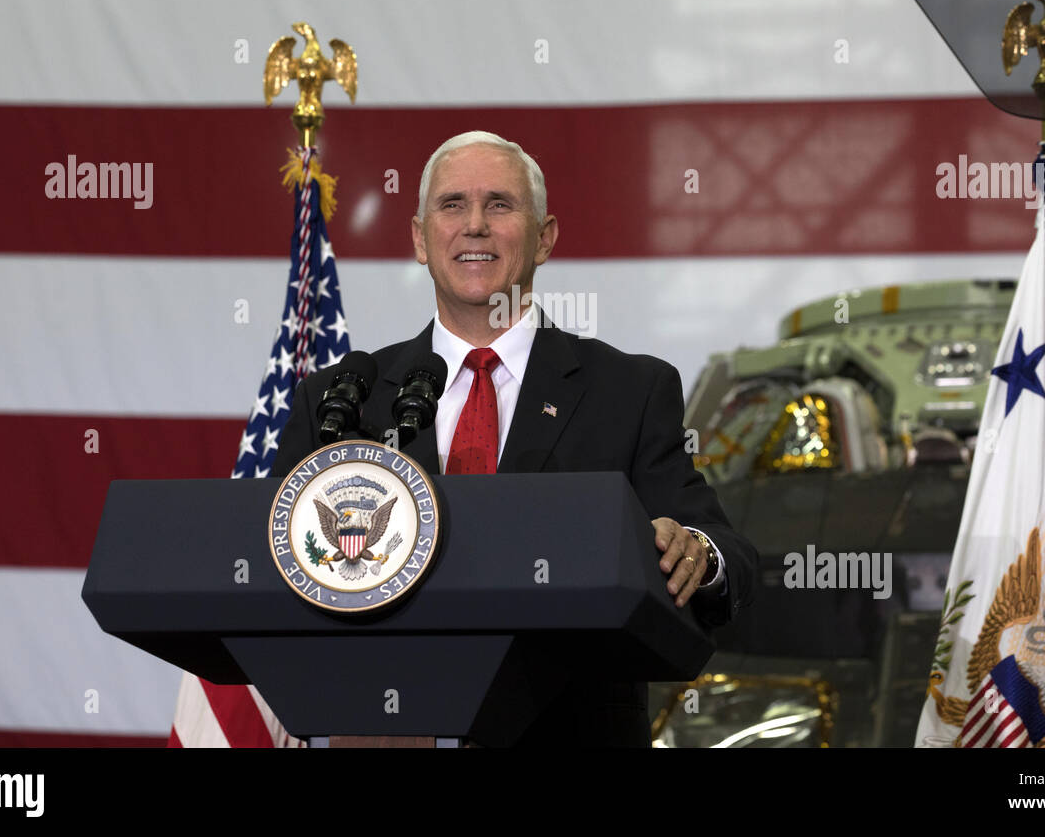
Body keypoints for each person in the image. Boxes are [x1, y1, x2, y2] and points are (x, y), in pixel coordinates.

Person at [272, 130, 758, 746]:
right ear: (420, 239)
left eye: (499, 204)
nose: (474, 225)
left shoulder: (628, 389)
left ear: (545, 237)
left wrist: (700, 554)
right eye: (452, 205)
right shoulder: (342, 398)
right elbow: (273, 563)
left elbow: (729, 557)